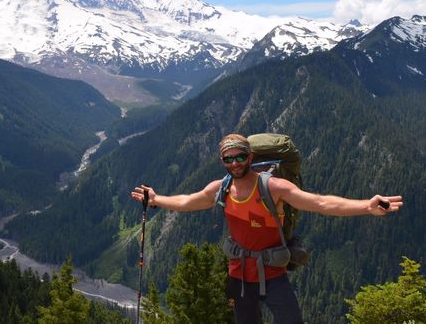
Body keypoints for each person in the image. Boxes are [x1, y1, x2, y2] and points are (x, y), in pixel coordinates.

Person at [130, 133, 403, 324]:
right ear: (222, 161)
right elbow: (188, 201)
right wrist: (156, 200)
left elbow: (320, 202)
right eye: (228, 159)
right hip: (239, 276)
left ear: (250, 157)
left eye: (240, 157)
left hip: (273, 274)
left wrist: (366, 206)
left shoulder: (272, 187)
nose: (235, 163)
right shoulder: (222, 188)